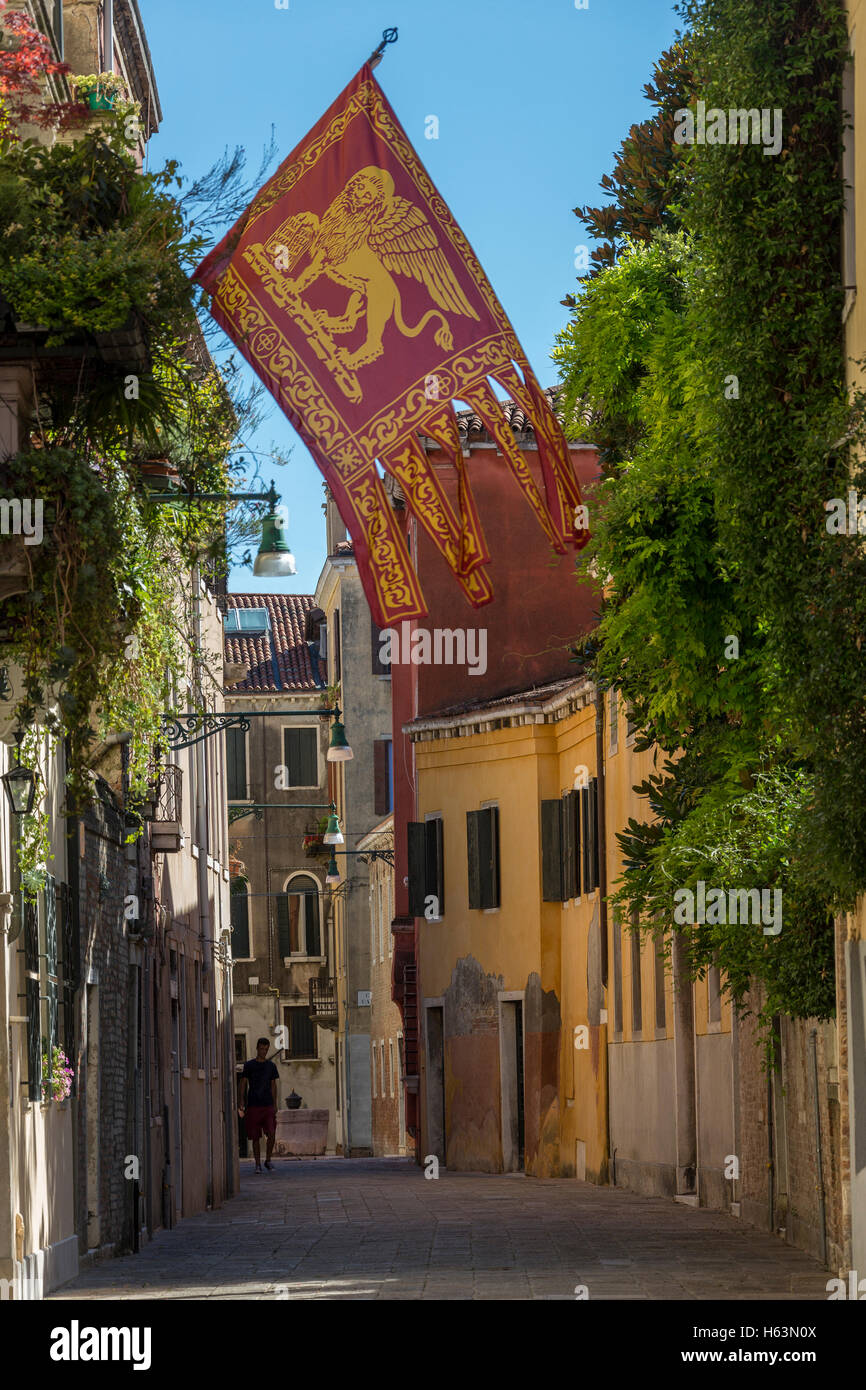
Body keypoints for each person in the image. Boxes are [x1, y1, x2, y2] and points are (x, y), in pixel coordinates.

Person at [239, 1037, 279, 1173]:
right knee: (255, 1137)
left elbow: (274, 1086)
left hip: (267, 1105)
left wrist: (275, 1104)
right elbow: (243, 1083)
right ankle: (257, 1164)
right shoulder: (249, 1065)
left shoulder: (271, 1066)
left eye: (266, 1049)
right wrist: (241, 1101)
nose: (264, 1052)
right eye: (262, 1049)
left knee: (272, 1133)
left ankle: (268, 1160)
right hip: (253, 1105)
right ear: (257, 1048)